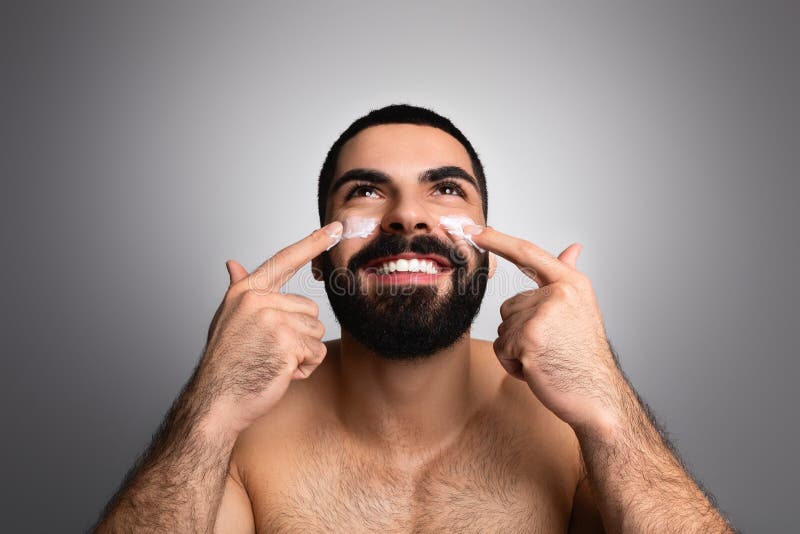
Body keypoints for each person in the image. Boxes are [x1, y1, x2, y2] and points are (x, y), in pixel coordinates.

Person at [93, 104, 734, 533]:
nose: (408, 217)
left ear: (485, 248)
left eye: (446, 189)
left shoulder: (573, 431)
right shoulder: (240, 438)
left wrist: (610, 407)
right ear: (320, 257)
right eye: (367, 192)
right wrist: (207, 409)